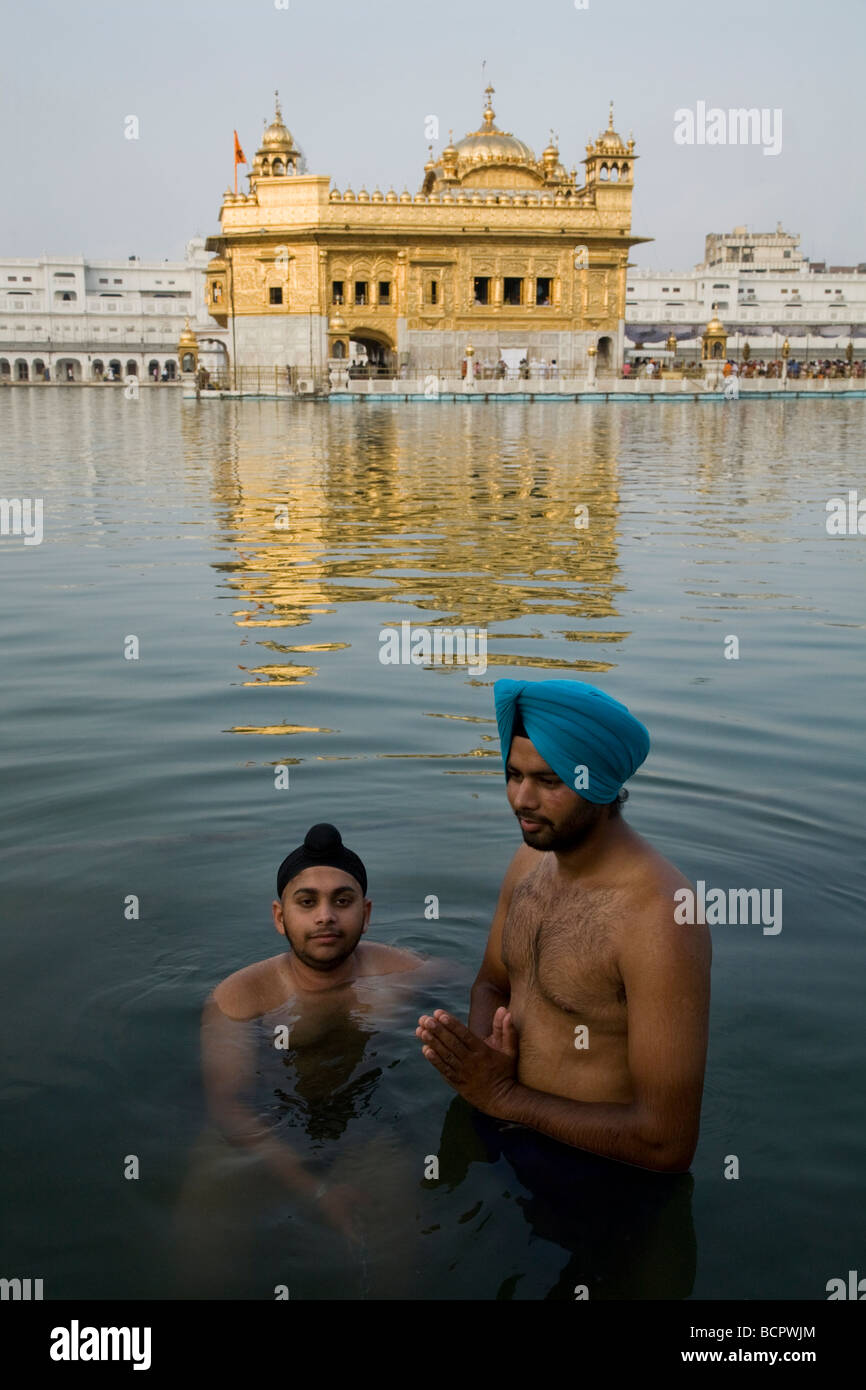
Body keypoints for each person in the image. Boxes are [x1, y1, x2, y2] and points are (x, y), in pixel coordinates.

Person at [418, 677, 711, 1174]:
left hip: (603, 1182)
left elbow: (668, 1144)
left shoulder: (661, 915)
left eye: (548, 782)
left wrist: (505, 1096)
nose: (521, 799)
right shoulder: (529, 862)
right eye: (514, 774)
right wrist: (486, 1054)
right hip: (502, 1129)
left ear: (598, 785)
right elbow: (490, 983)